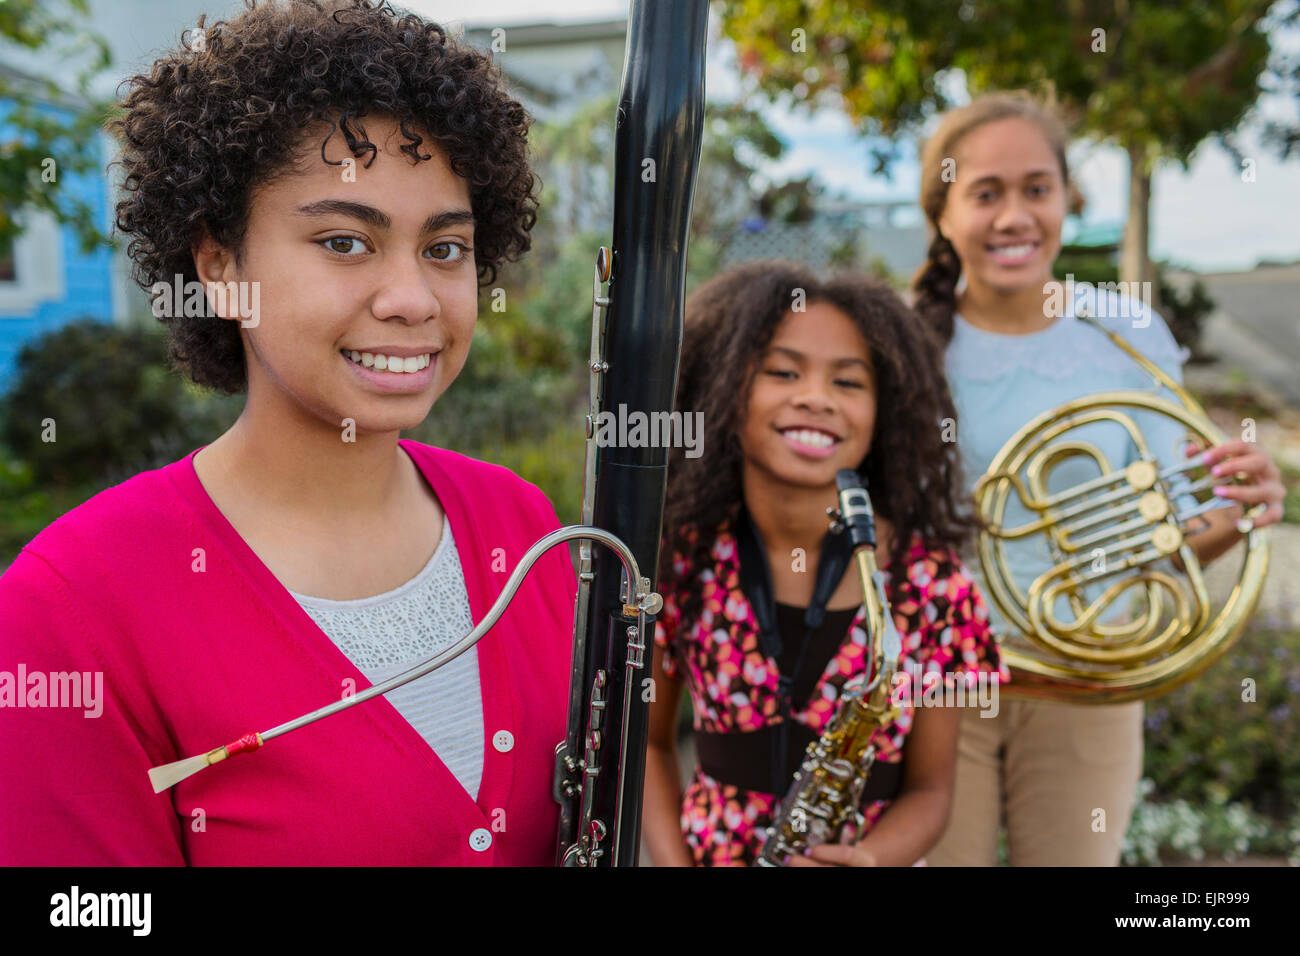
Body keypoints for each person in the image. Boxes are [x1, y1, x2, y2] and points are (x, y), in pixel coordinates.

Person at [0, 0, 577, 865]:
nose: (413, 298)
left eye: (446, 248)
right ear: (220, 267)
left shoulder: (523, 528)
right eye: (345, 242)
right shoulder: (70, 607)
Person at [911, 91, 1287, 867]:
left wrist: (1244, 509)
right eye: (986, 194)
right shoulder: (908, 344)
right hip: (942, 687)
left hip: (1090, 681)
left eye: (1036, 189)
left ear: (1067, 199)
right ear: (942, 214)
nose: (1015, 215)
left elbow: (1183, 528)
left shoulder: (1125, 329)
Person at [640, 261, 1008, 867]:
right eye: (783, 372)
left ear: (884, 411)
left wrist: (868, 860)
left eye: (849, 382)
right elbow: (651, 746)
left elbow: (931, 790)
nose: (815, 398)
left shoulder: (935, 586)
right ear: (727, 387)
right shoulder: (683, 560)